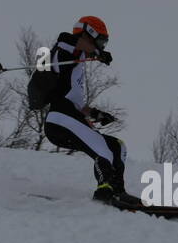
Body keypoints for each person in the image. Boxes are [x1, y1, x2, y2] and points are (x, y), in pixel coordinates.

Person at [38, 15, 139, 205]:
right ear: (89, 34)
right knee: (103, 150)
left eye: (104, 43)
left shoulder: (77, 66)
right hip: (59, 118)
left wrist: (97, 114)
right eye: (100, 41)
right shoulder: (66, 48)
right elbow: (67, 39)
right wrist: (97, 54)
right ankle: (104, 190)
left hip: (70, 117)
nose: (102, 46)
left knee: (117, 146)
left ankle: (118, 190)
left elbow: (77, 105)